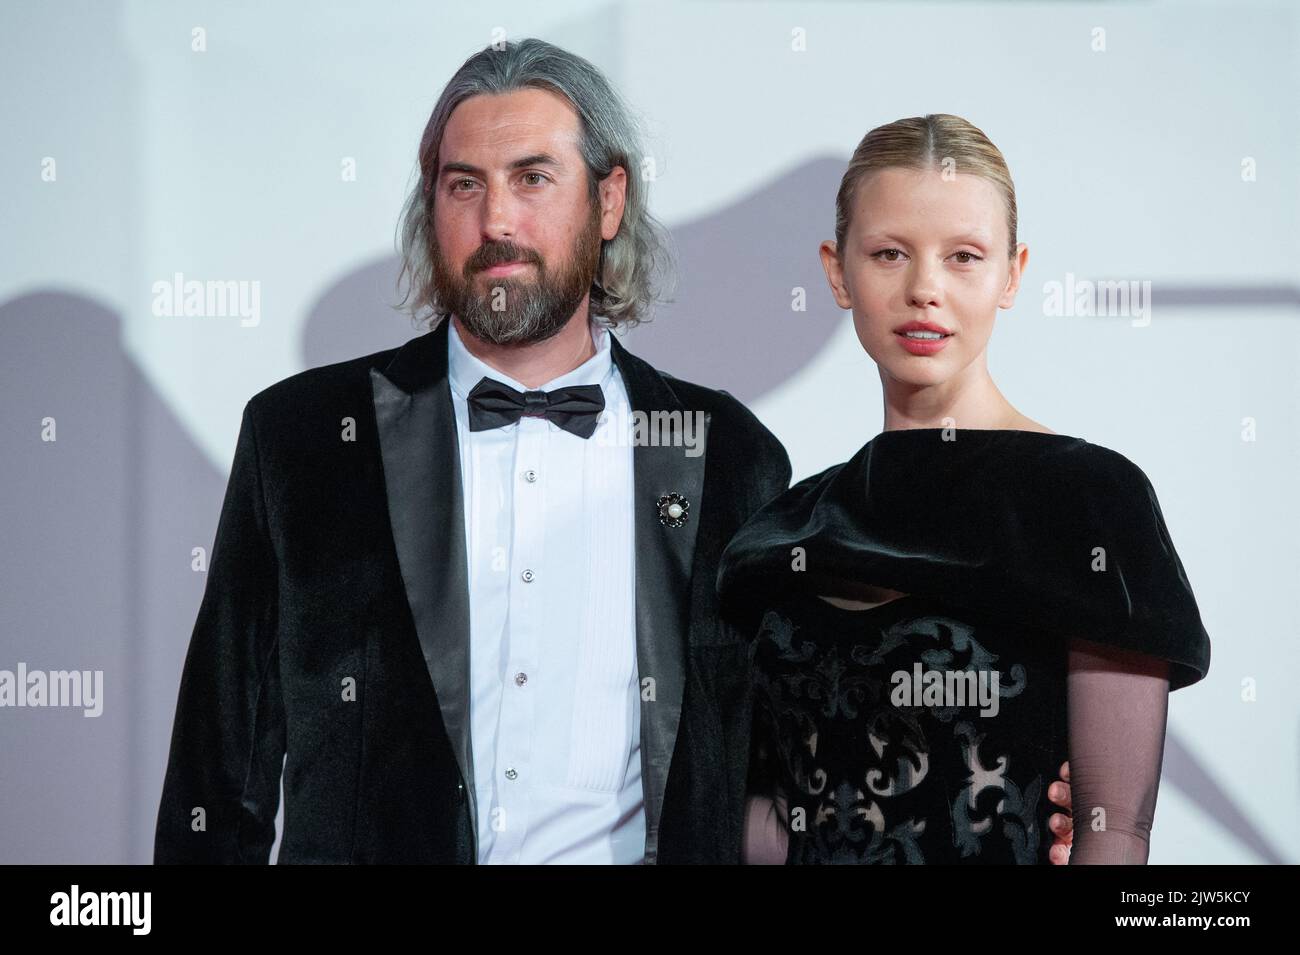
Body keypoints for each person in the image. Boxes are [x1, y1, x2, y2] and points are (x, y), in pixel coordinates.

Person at [154, 42, 1073, 864]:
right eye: (463, 184)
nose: (497, 219)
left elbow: (791, 759)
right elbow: (219, 774)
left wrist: (1016, 799)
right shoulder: (303, 439)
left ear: (608, 199)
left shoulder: (731, 456)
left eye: (533, 178)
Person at [720, 114, 1211, 865]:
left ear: (1012, 274)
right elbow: (764, 820)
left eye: (964, 257)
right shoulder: (784, 530)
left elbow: (1113, 833)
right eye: (889, 253)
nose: (925, 290)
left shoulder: (1089, 502)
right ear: (836, 271)